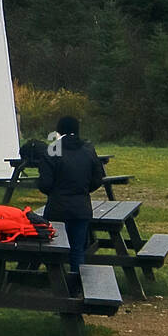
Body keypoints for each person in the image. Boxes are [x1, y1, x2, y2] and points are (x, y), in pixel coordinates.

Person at [36, 115, 105, 280]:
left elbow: (45, 183)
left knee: (53, 248)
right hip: (81, 207)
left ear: (59, 130)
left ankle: (55, 281)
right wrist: (83, 190)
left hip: (57, 208)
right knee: (77, 250)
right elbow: (98, 178)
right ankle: (76, 284)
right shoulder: (88, 150)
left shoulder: (52, 150)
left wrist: (55, 192)